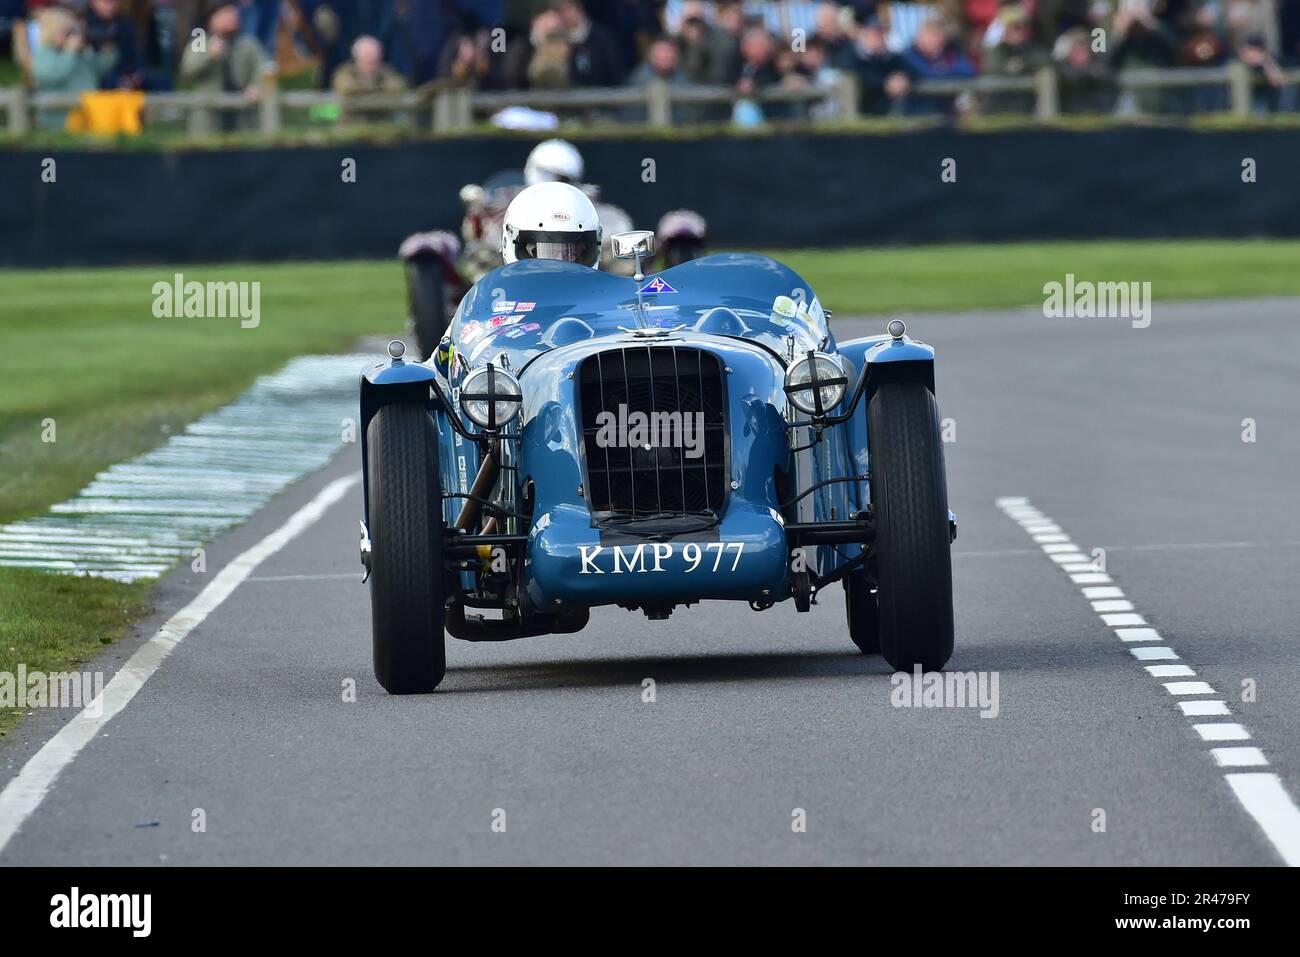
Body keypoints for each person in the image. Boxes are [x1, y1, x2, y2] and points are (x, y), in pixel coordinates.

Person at [179, 3, 267, 129]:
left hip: (241, 119)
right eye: (225, 14)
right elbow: (187, 71)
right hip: (207, 119)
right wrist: (209, 55)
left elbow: (263, 71)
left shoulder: (248, 45)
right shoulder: (200, 43)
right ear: (212, 19)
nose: (231, 18)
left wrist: (256, 87)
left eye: (233, 13)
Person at [31, 6, 117, 129]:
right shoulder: (44, 53)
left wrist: (108, 53)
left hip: (85, 115)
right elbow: (51, 76)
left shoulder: (77, 53)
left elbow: (97, 69)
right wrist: (69, 52)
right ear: (52, 31)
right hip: (58, 120)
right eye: (66, 32)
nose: (72, 36)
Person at [500, 181, 604, 269]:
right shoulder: (494, 291)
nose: (560, 265)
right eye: (548, 253)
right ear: (507, 242)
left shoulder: (605, 292)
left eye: (571, 254)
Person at [83, 0, 143, 89]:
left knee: (160, 81)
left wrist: (137, 74)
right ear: (93, 2)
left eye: (114, 1)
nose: (111, 6)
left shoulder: (125, 24)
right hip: (99, 76)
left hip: (126, 73)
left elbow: (135, 55)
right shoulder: (84, 24)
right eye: (106, 2)